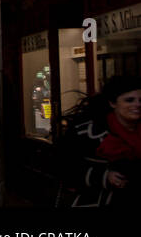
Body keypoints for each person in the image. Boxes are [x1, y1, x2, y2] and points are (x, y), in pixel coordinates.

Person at [58, 74, 141, 207]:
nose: (137, 105)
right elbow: (65, 168)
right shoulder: (85, 133)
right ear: (113, 103)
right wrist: (105, 176)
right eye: (129, 100)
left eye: (140, 100)